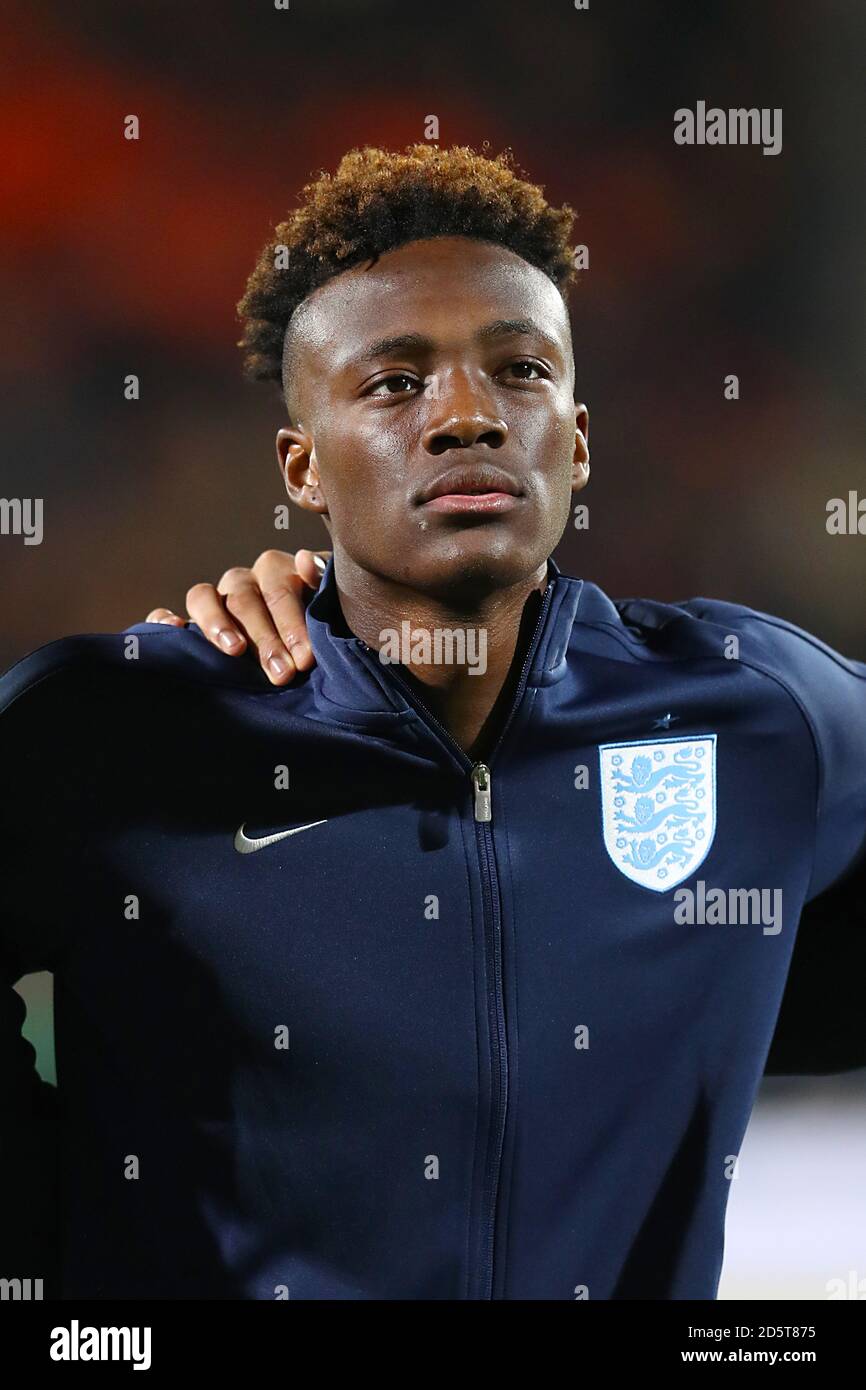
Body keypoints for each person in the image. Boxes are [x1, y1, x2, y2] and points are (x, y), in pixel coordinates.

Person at [2, 145, 864, 1301]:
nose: (468, 416)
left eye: (519, 370)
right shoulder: (127, 727)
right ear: (302, 467)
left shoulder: (755, 708)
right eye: (395, 382)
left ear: (579, 437)